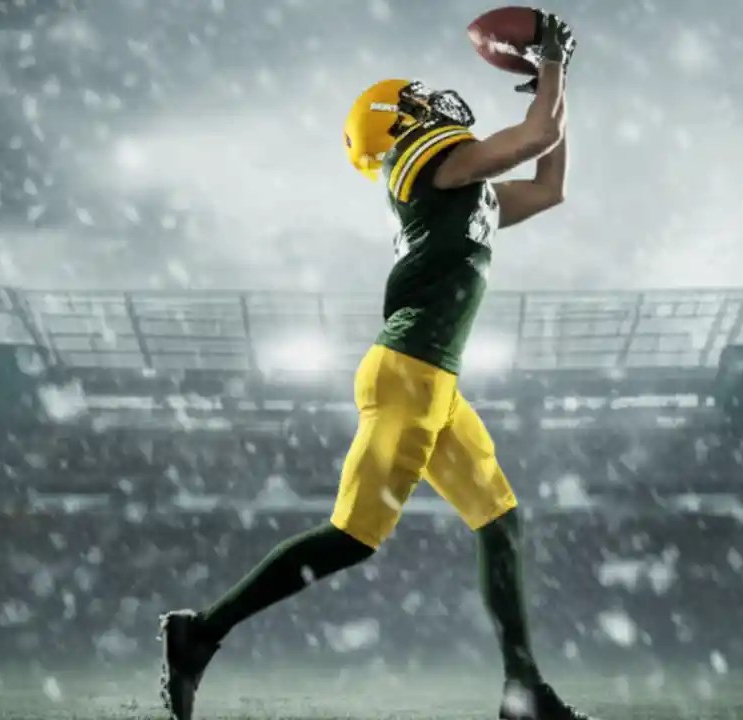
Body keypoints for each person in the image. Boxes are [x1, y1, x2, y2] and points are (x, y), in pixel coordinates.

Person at [160, 11, 586, 720]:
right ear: (399, 120)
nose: (432, 100)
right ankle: (197, 635)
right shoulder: (420, 166)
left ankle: (522, 692)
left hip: (435, 383)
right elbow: (536, 138)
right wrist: (550, 70)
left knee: (500, 524)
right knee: (351, 539)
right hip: (408, 373)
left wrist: (555, 82)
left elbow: (548, 185)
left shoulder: (462, 183)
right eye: (415, 99)